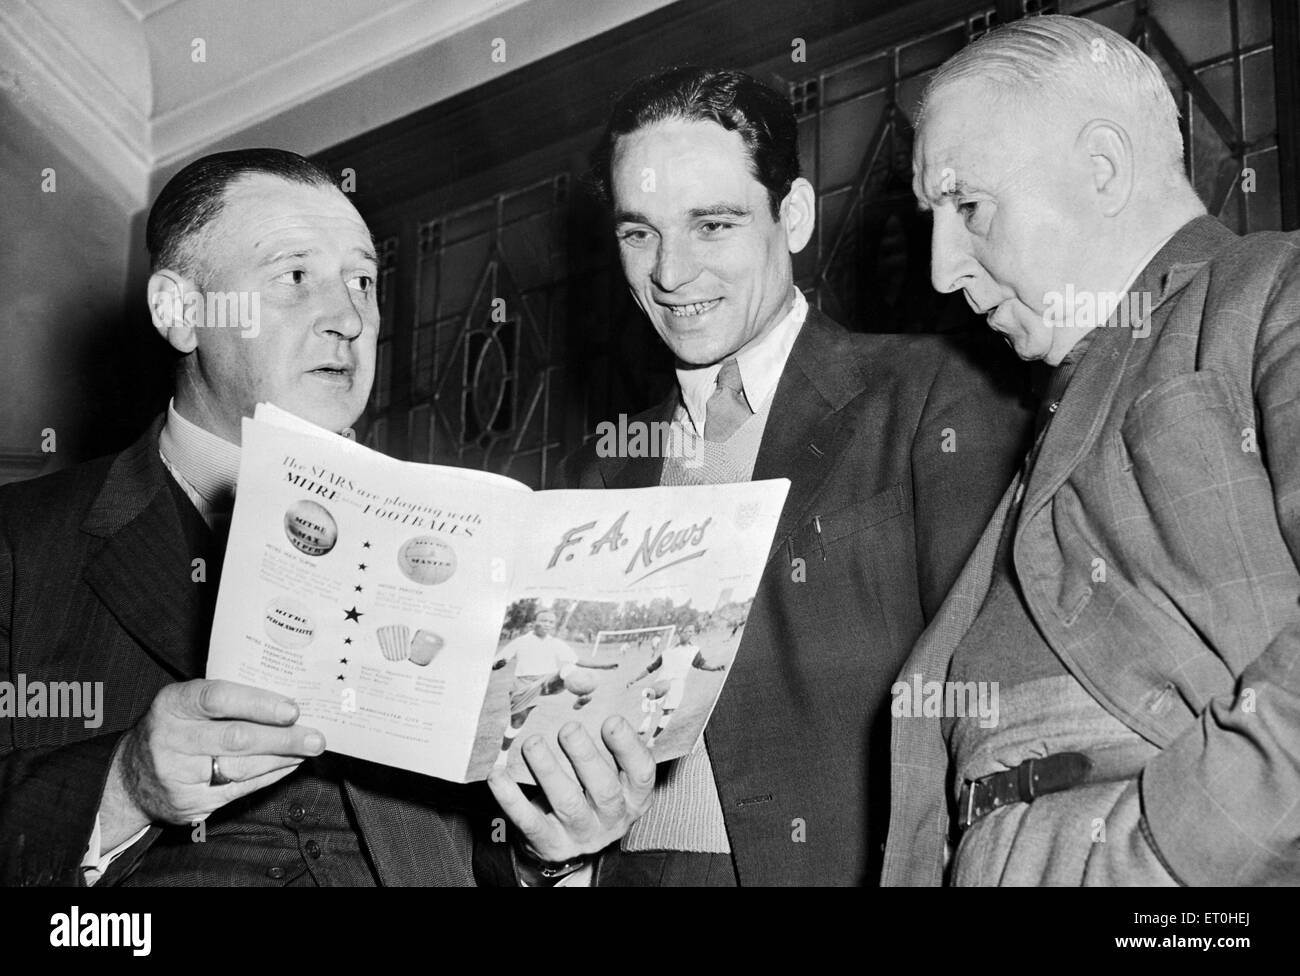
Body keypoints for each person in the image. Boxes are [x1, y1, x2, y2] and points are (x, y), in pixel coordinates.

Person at [0, 148, 652, 887]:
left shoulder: (464, 553)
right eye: (295, 276)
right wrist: (127, 785)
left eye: (363, 281)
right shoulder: (20, 544)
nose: (347, 317)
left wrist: (551, 854)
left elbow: (483, 855)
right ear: (181, 312)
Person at [562, 66, 1033, 885]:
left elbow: (992, 706)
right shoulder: (593, 473)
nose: (671, 275)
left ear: (796, 216)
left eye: (712, 225)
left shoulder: (932, 397)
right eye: (640, 233)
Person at [884, 14, 1300, 886]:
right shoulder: (1061, 404)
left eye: (967, 206)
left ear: (1103, 167)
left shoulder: (1272, 289)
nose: (942, 269)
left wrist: (1175, 850)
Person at [492, 609, 618, 761]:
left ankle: (581, 696)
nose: (547, 624)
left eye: (551, 622)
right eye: (544, 620)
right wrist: (498, 664)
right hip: (524, 684)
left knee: (568, 668)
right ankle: (502, 755)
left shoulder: (556, 643)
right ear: (534, 623)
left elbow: (576, 660)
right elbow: (496, 662)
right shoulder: (521, 642)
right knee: (516, 723)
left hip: (549, 681)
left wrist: (603, 667)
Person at [625, 624, 724, 748]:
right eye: (686, 631)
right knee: (650, 704)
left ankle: (653, 739)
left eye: (691, 632)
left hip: (677, 684)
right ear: (680, 633)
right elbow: (652, 667)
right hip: (661, 682)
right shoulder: (668, 651)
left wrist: (714, 668)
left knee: (668, 712)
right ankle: (647, 719)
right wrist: (634, 679)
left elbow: (701, 664)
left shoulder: (694, 650)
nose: (689, 633)